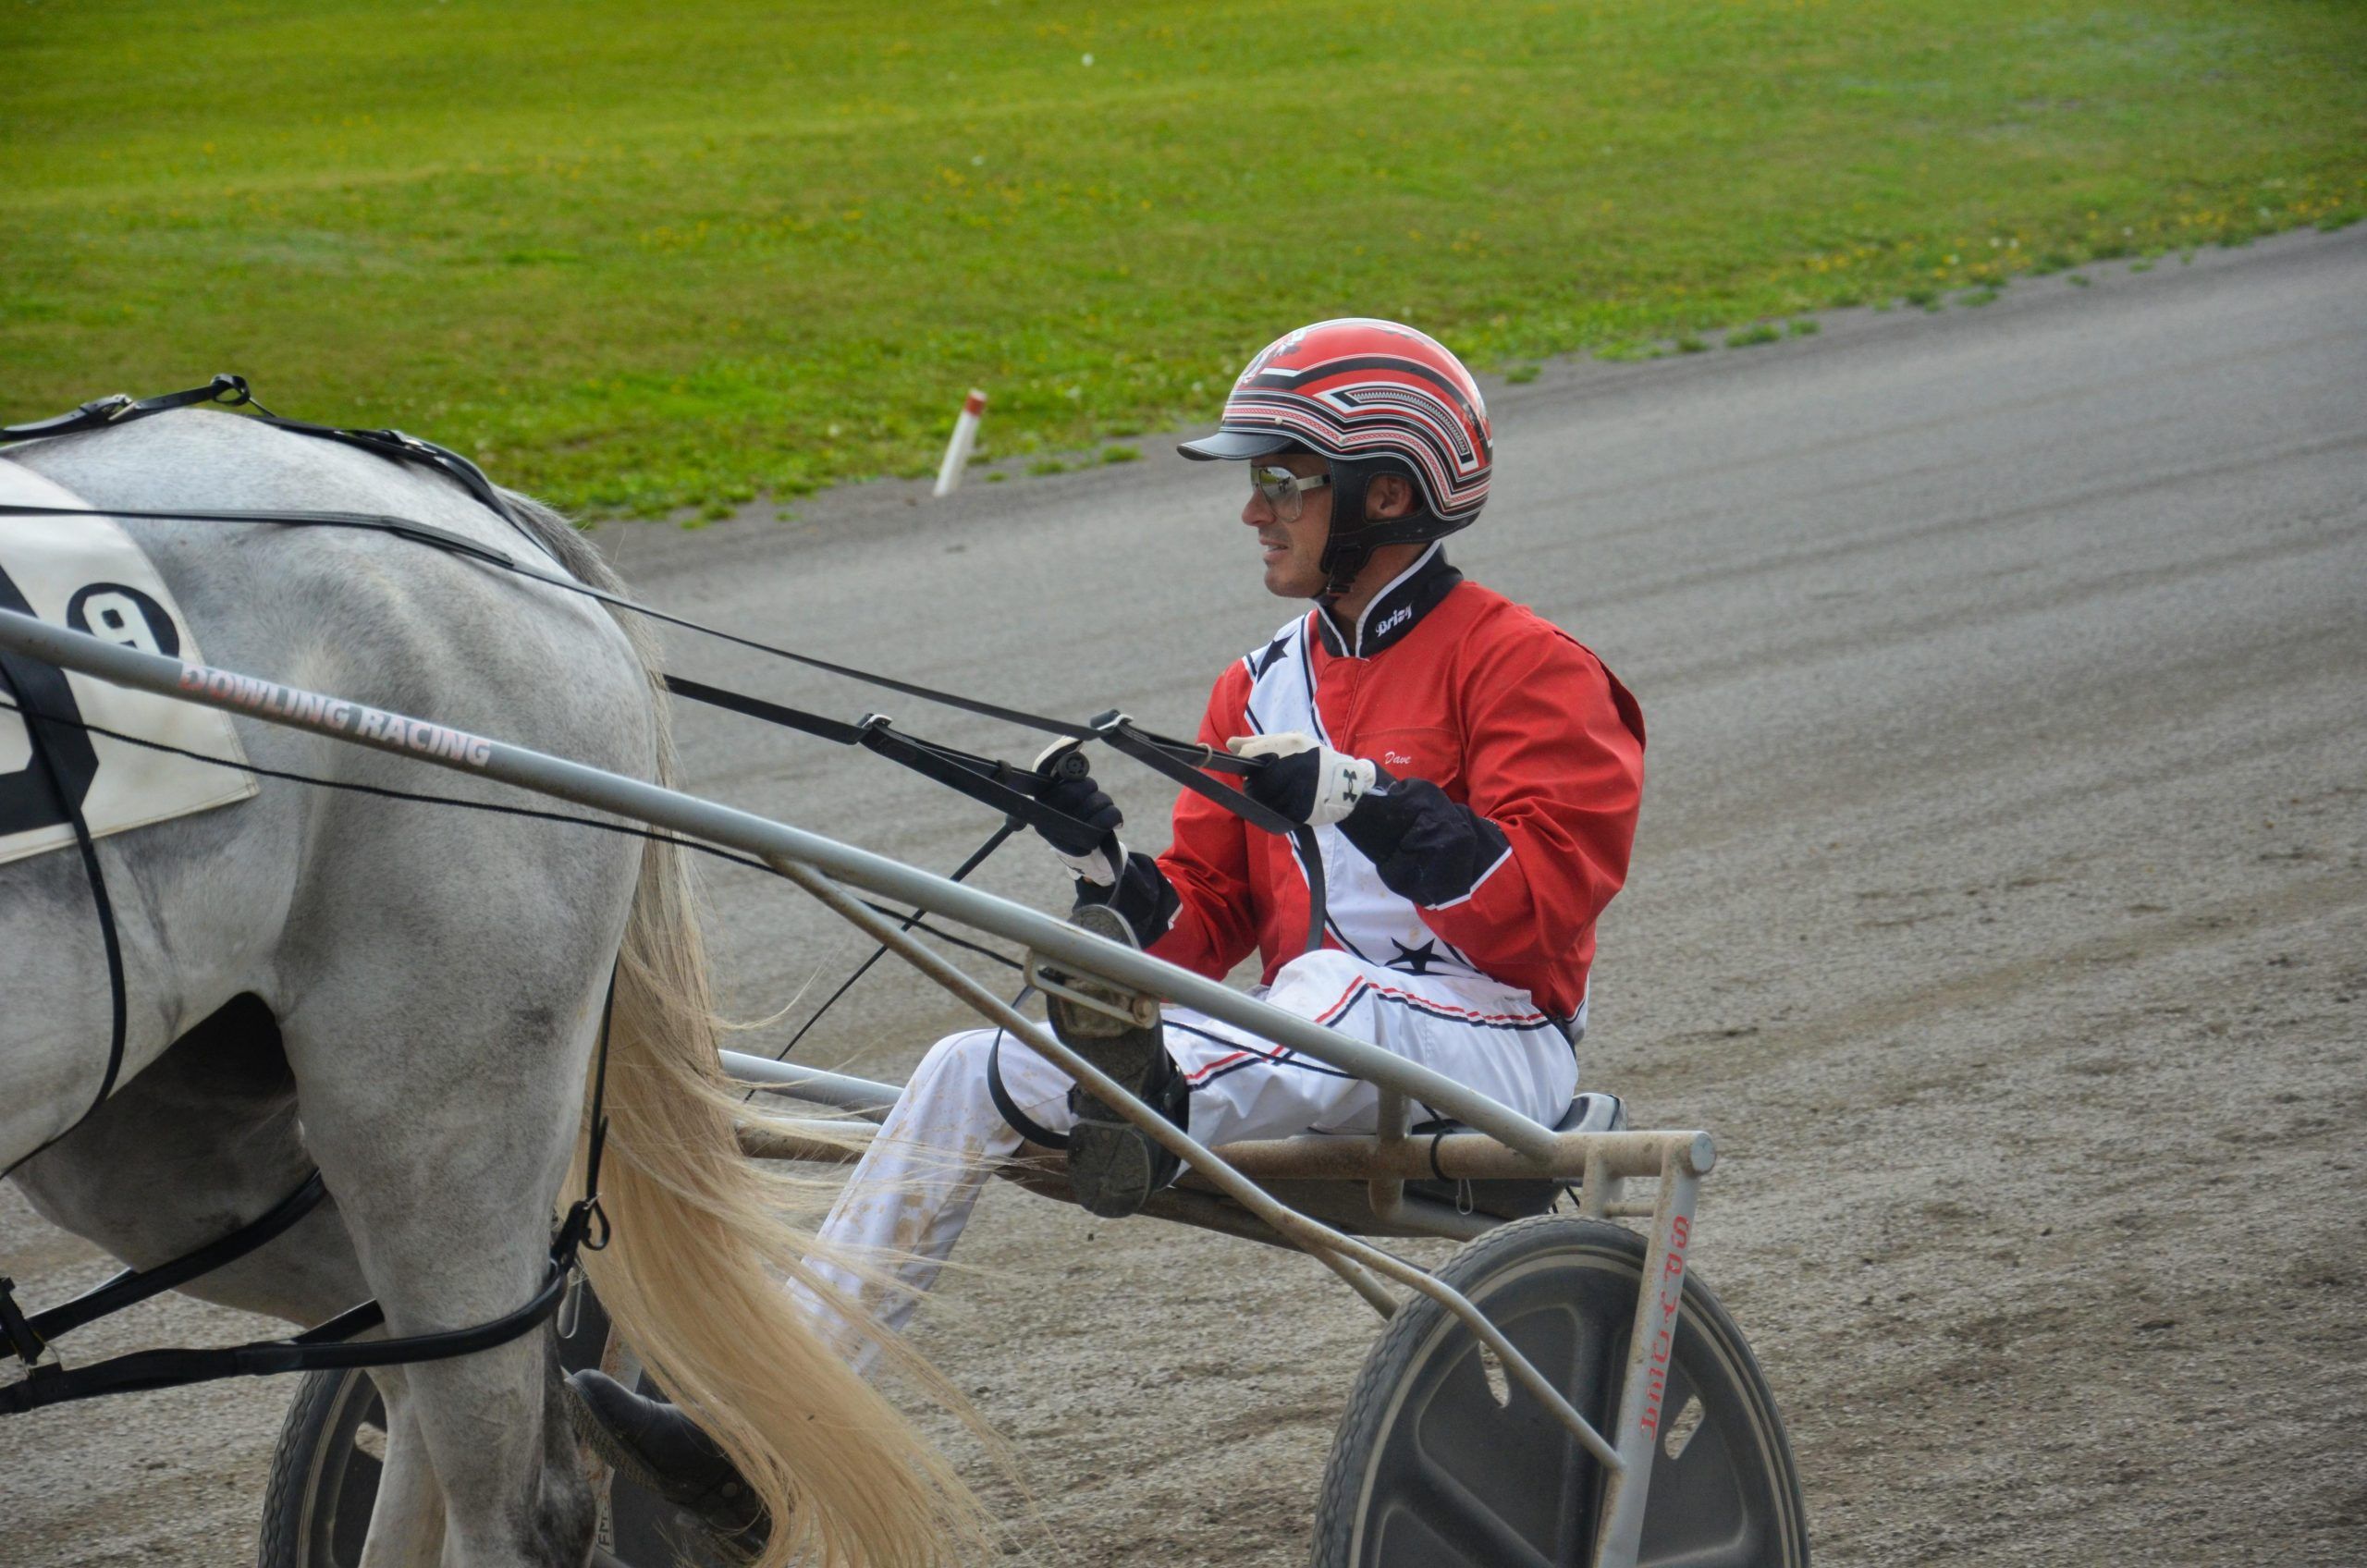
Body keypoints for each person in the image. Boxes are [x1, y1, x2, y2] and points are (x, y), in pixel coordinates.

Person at [570, 318, 1647, 1537]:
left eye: (1282, 479)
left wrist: (1360, 797)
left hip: (1494, 1043)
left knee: (1330, 989)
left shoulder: (1530, 668)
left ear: (1384, 492)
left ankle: (1156, 1099)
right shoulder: (1259, 684)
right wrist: (1101, 867)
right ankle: (757, 1446)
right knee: (959, 1069)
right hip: (1308, 1044)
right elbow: (1206, 926)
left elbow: (1546, 905)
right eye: (1255, 480)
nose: (1254, 509)